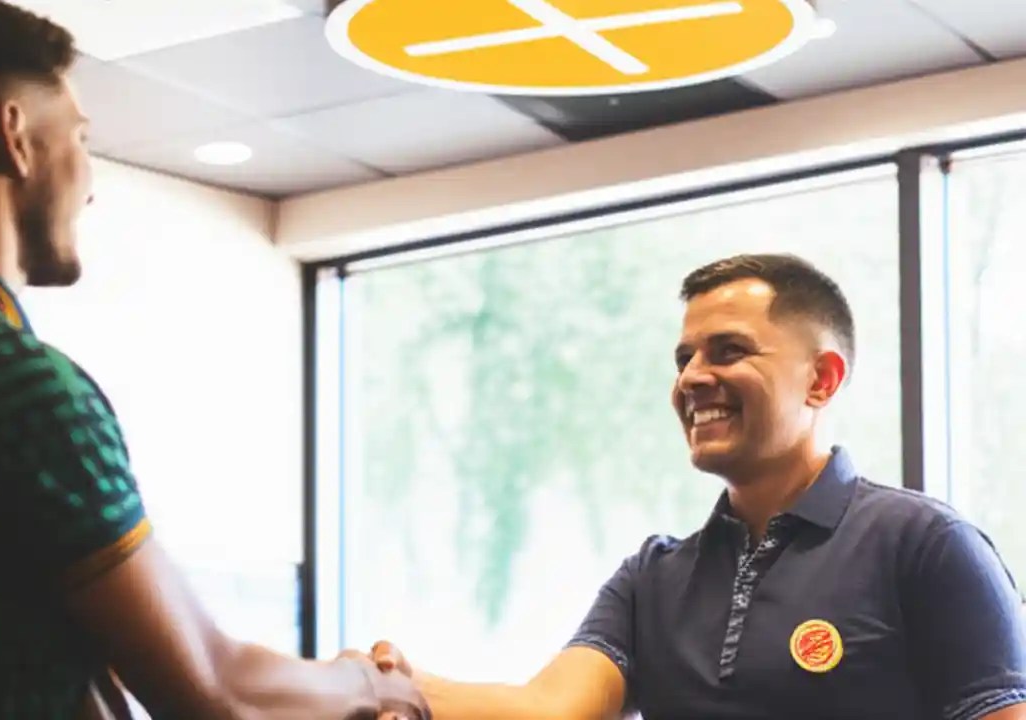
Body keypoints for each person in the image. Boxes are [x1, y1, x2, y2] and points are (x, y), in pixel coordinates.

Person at [0, 1, 427, 719]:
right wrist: (370, 685)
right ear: (14, 136)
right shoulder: (7, 375)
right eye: (78, 137)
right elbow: (216, 687)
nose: (91, 182)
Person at [362, 254, 1026, 719]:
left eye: (728, 352)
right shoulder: (652, 579)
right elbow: (551, 709)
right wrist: (389, 686)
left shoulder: (925, 545)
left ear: (821, 379)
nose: (691, 378)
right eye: (685, 358)